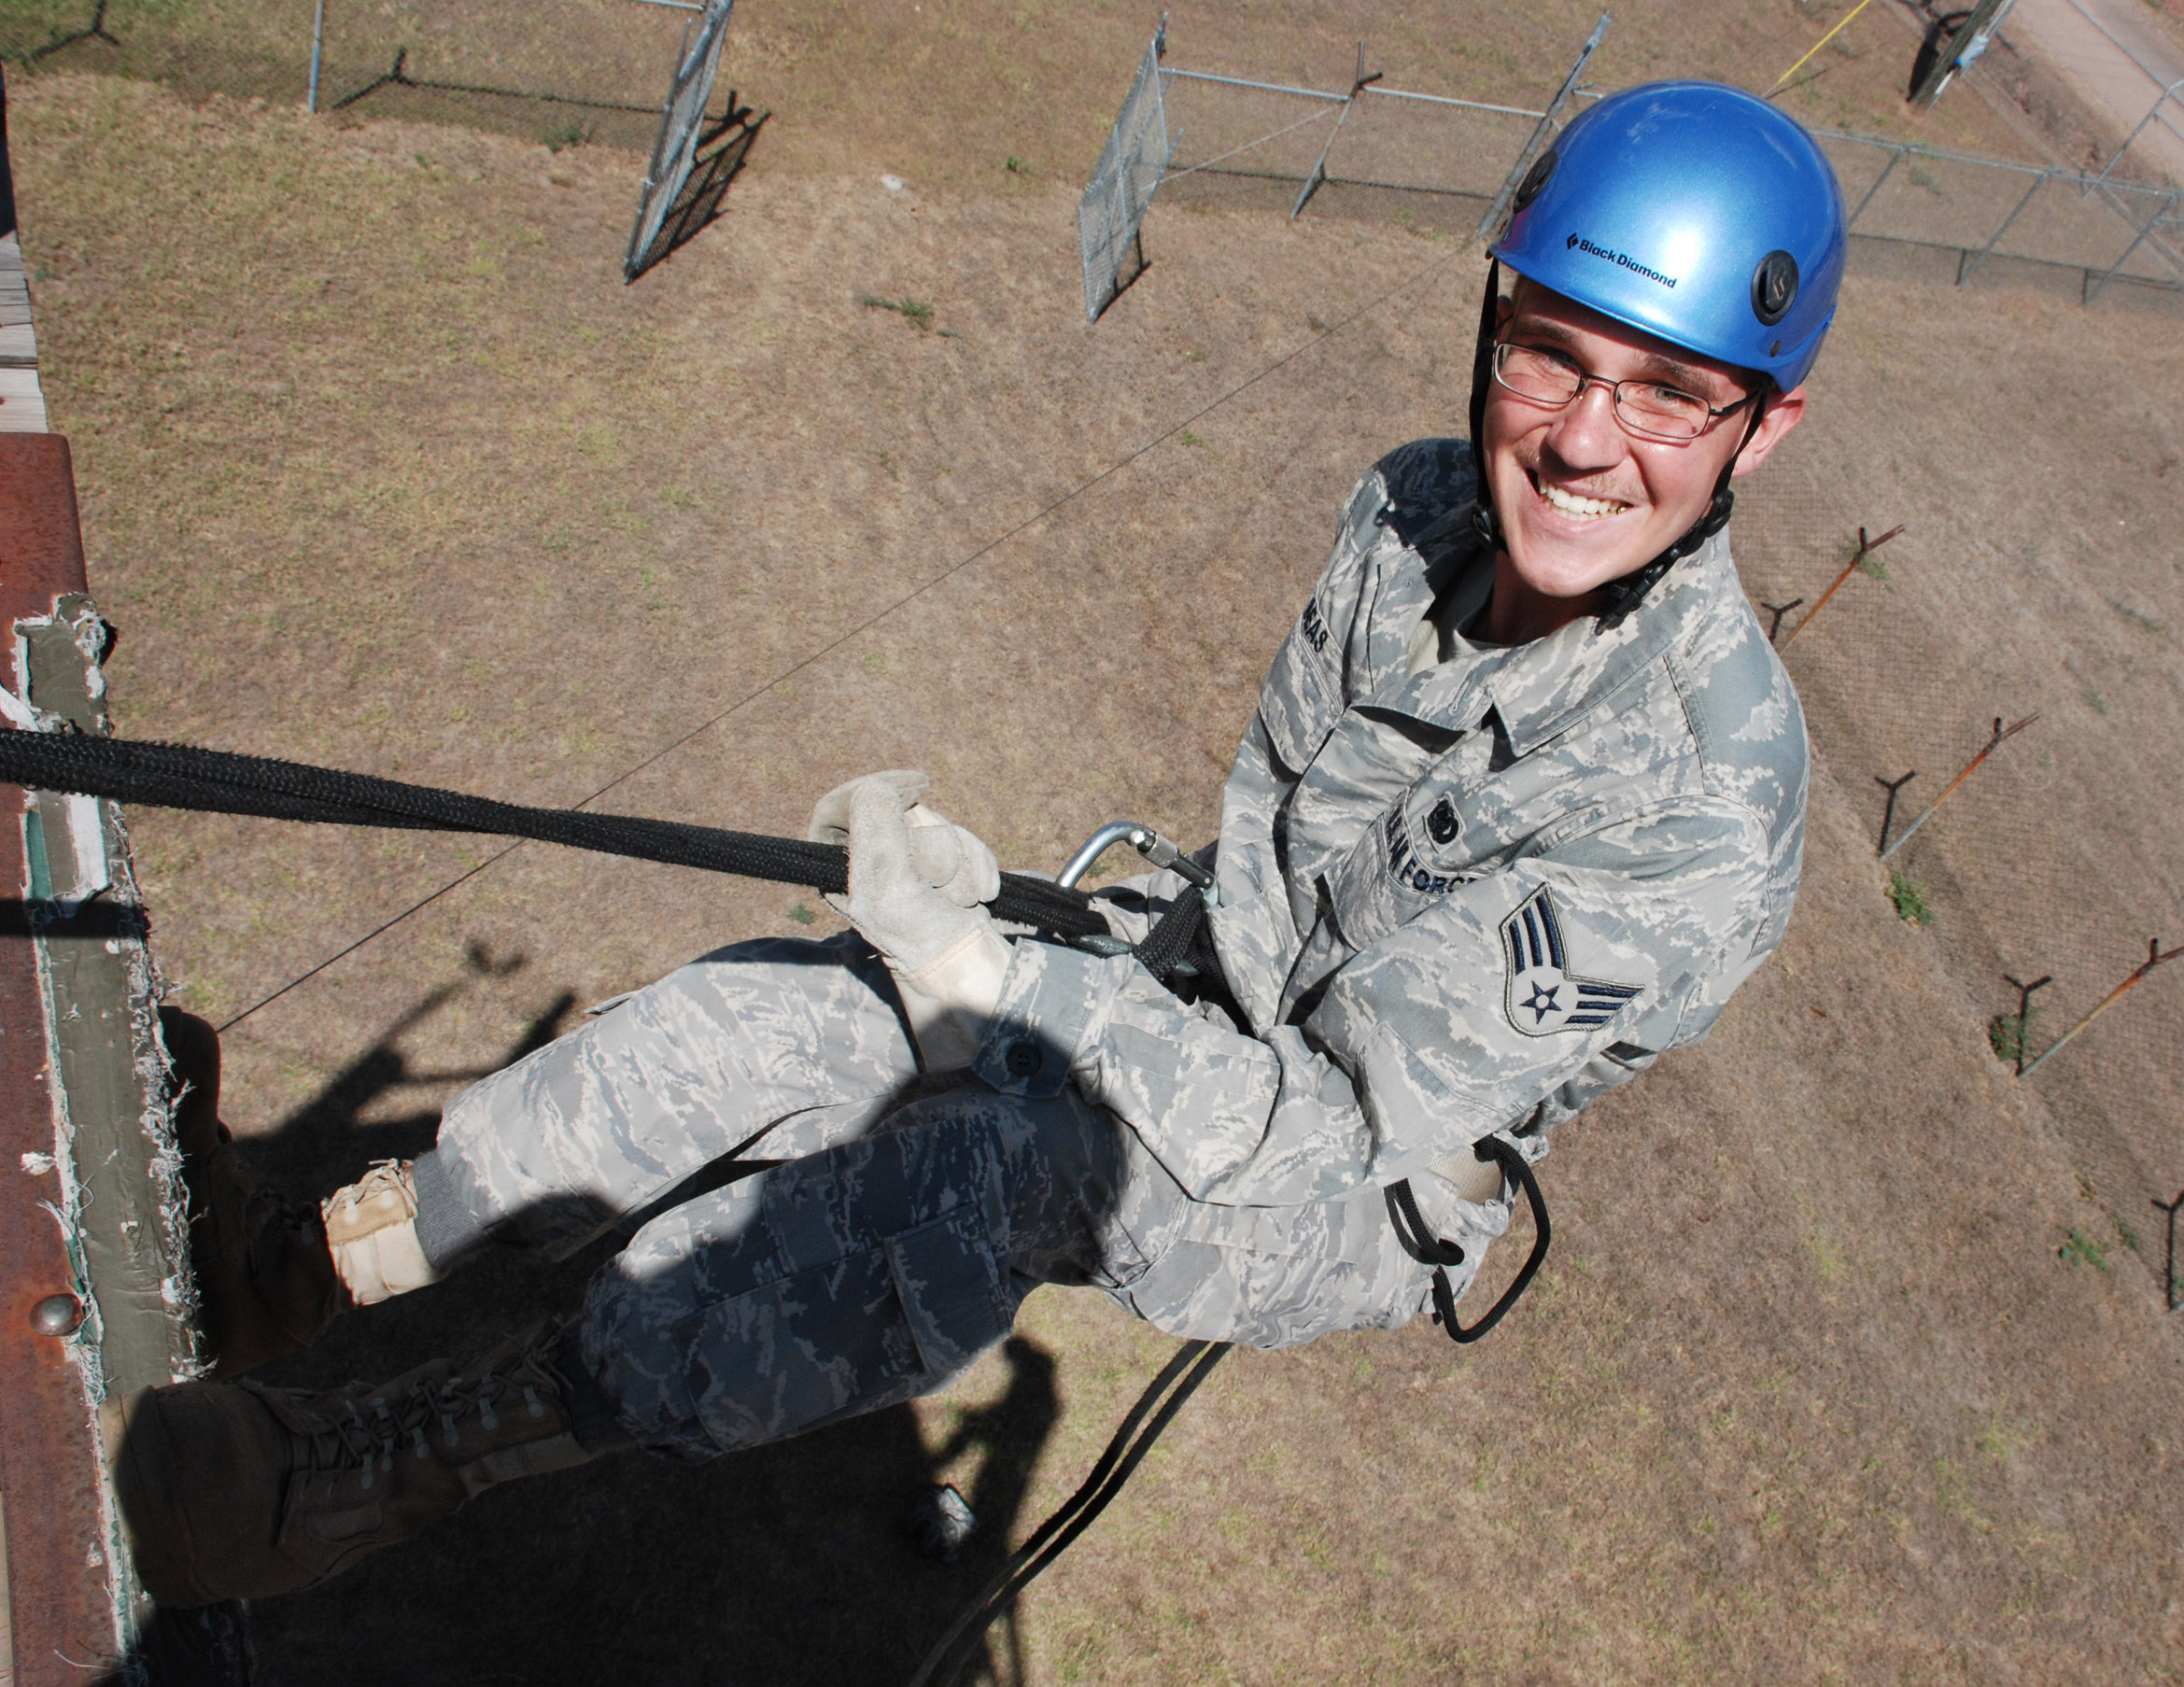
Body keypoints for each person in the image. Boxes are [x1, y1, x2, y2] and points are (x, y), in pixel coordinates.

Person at [112, 80, 1846, 1608]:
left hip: (1350, 1186)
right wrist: (987, 949)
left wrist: (1002, 986)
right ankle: (307, 1267)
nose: (1579, 436)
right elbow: (1264, 893)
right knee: (784, 1017)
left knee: (973, 1166)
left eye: (1669, 394)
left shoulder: (1693, 811)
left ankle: (341, 1482)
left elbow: (1315, 1135)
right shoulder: (1414, 516)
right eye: (1549, 349)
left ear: (1762, 428)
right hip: (1198, 998)